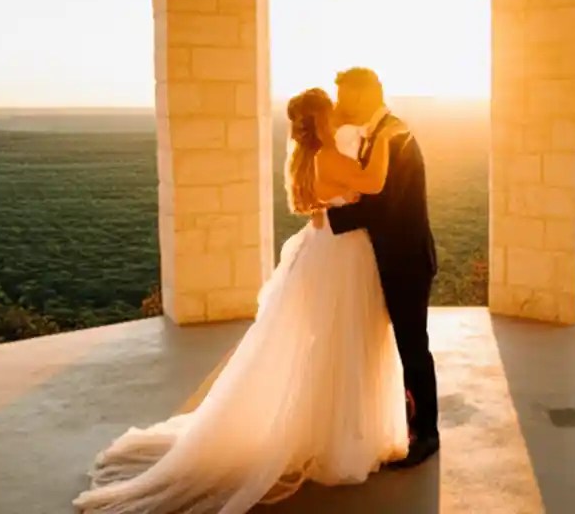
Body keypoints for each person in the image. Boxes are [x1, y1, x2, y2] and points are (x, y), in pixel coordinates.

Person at [74, 87, 409, 514]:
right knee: (345, 343)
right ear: (320, 121)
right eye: (330, 112)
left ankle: (336, 431)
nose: (336, 115)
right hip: (341, 258)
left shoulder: (313, 156)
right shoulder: (328, 157)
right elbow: (375, 182)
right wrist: (383, 137)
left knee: (335, 345)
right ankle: (342, 440)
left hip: (328, 252)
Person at [326, 67, 440, 469]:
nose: (340, 104)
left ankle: (426, 434)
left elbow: (384, 204)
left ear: (367, 93)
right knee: (396, 346)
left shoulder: (397, 135)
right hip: (390, 258)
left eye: (345, 96)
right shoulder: (378, 132)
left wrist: (331, 218)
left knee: (413, 346)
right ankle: (406, 420)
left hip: (407, 261)